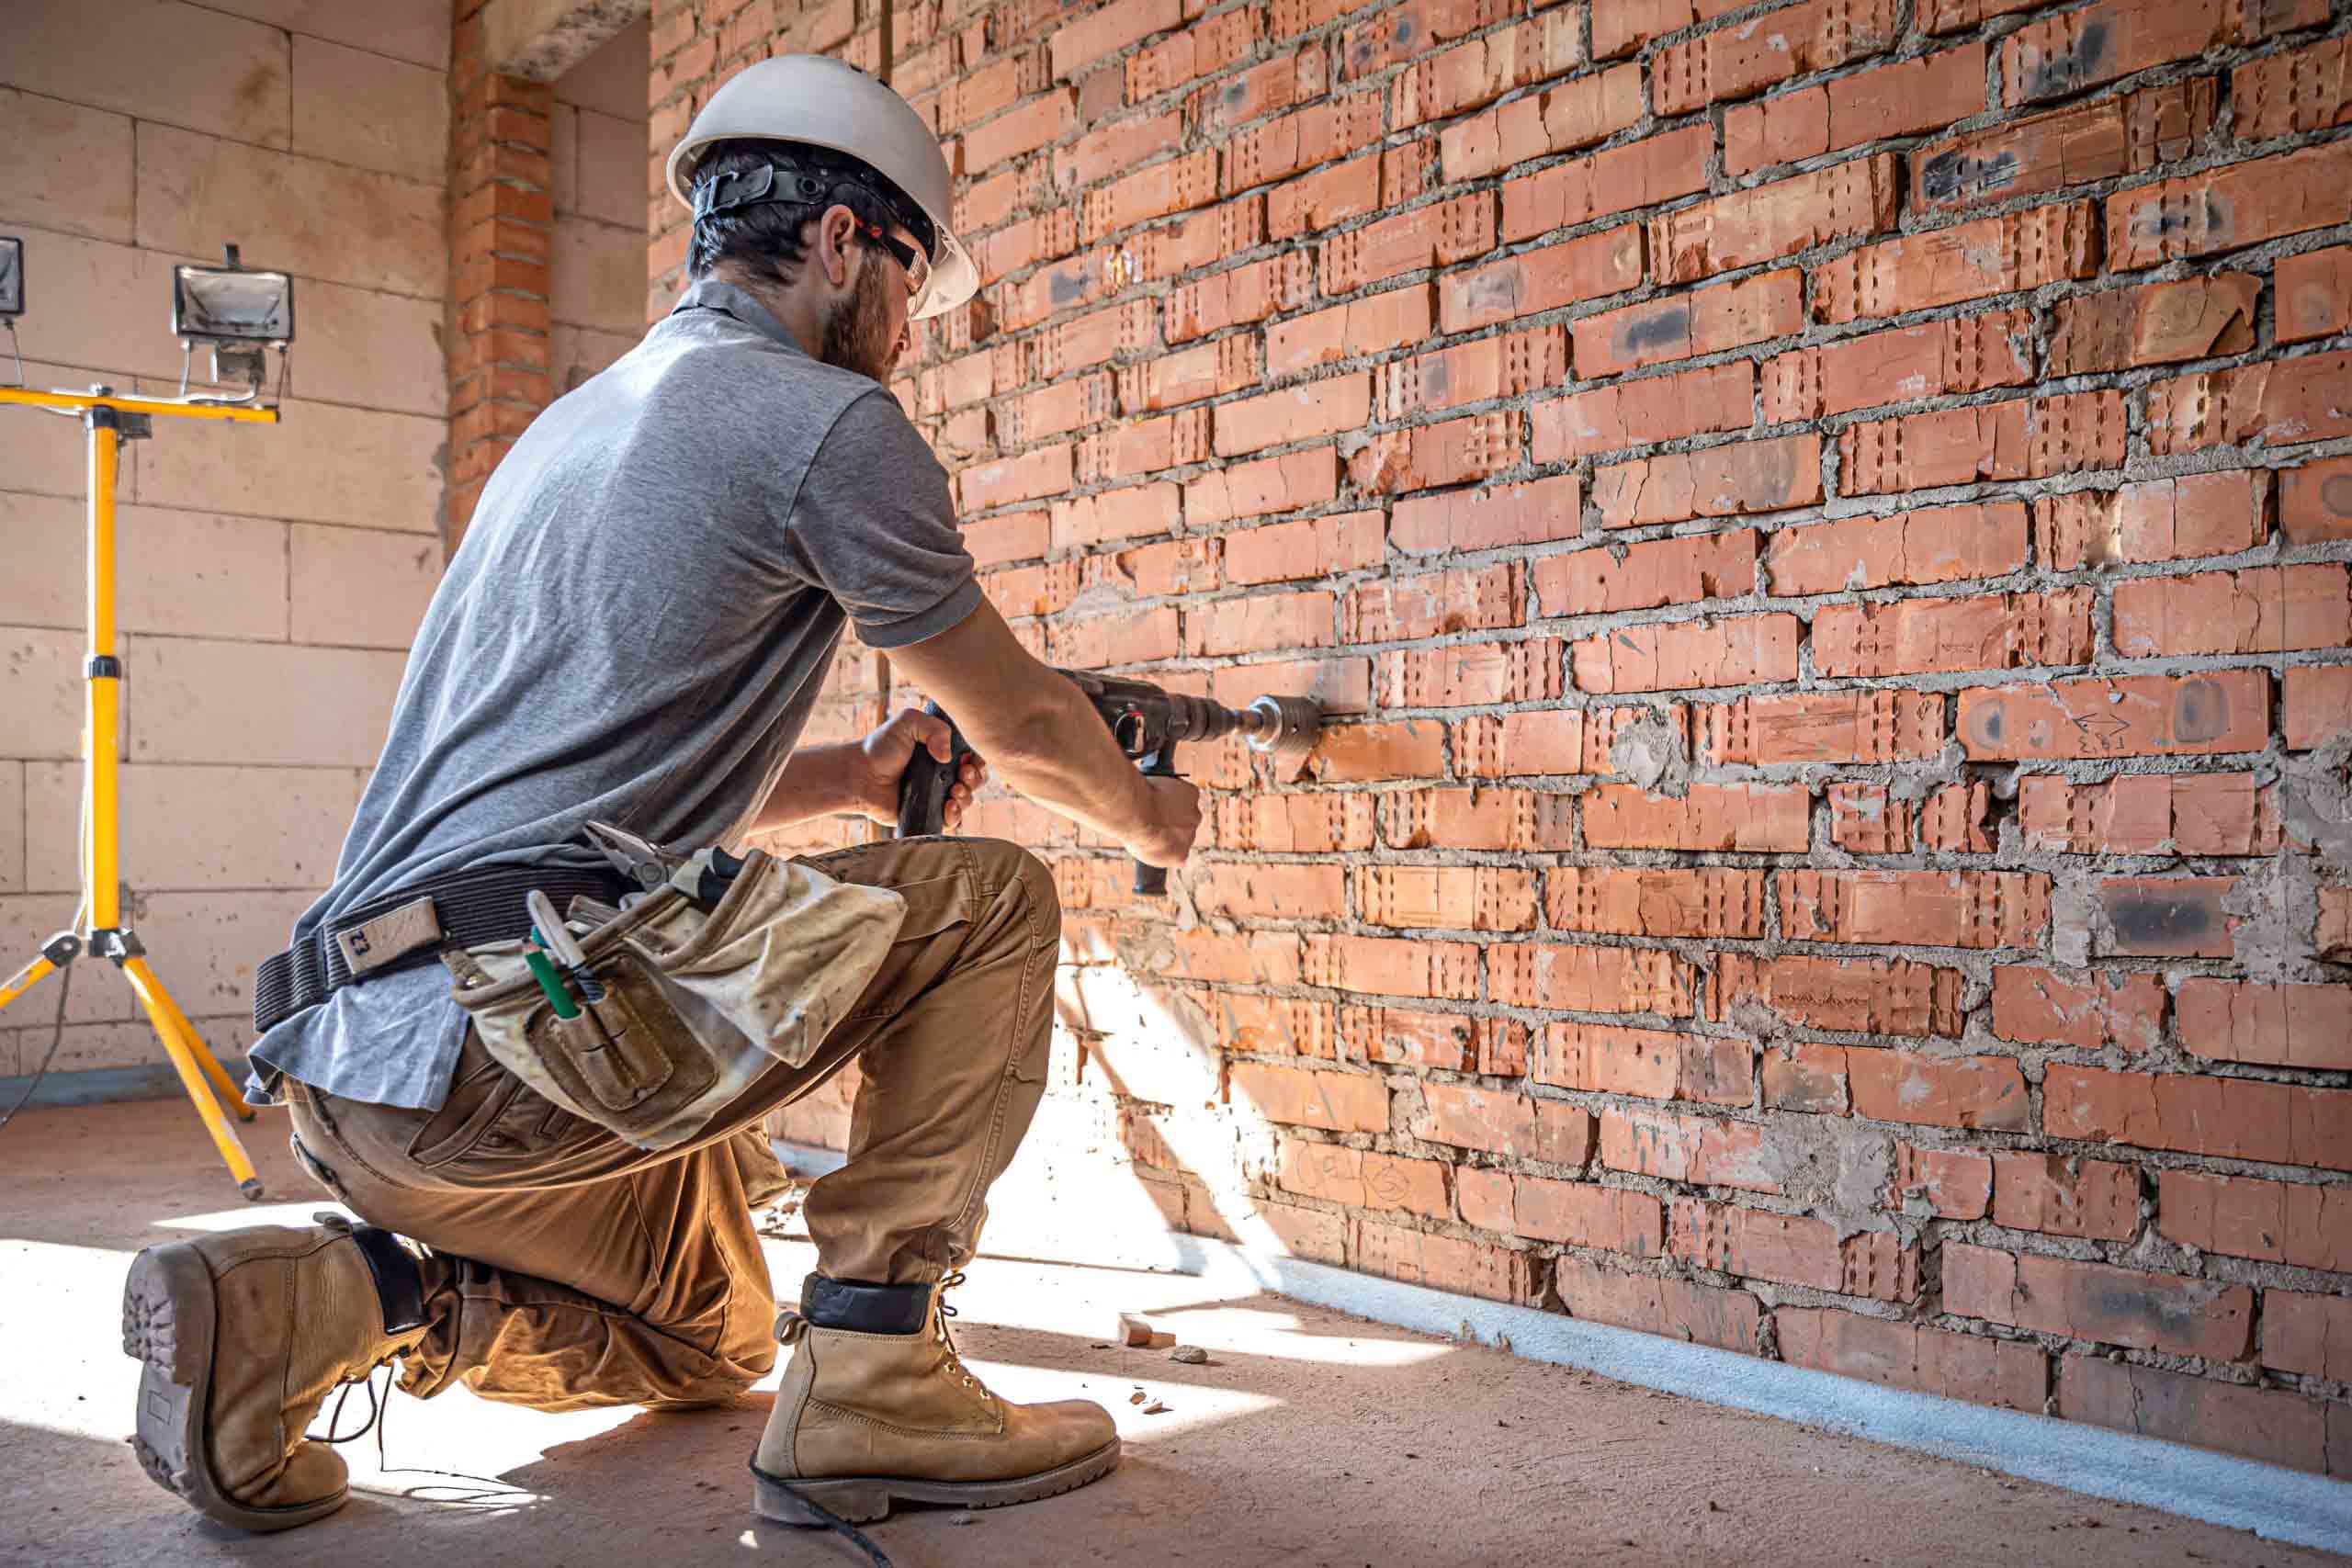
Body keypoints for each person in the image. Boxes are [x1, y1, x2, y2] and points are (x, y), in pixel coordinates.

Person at [120, 54, 1200, 1540]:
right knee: (995, 905)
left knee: (721, 1343)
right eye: (904, 283)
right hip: (514, 1049)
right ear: (841, 244)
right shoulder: (828, 420)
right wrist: (1151, 823)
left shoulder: (574, 428)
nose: (905, 335)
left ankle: (335, 1300)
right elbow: (1016, 717)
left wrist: (839, 776)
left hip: (351, 1074)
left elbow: (575, 799)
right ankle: (884, 1367)